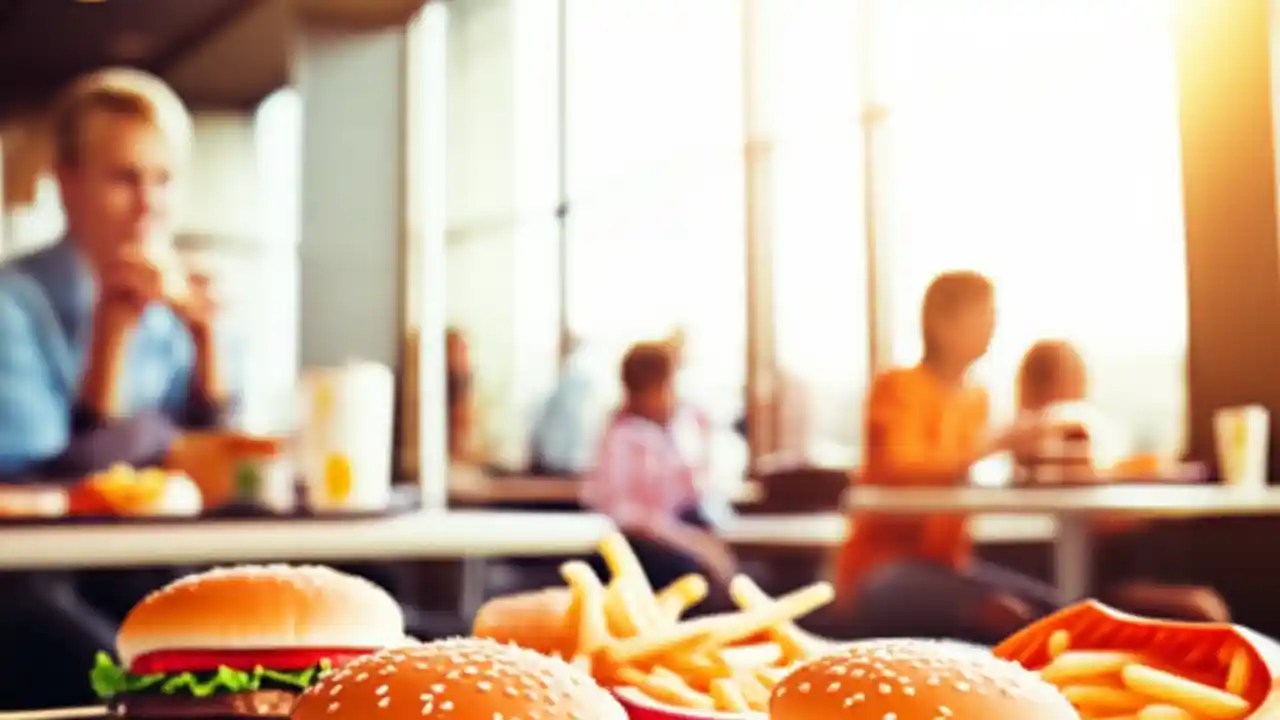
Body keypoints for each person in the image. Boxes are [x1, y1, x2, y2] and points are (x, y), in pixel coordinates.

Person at [0, 68, 232, 709]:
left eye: (163, 180)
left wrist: (210, 350)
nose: (149, 203)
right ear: (66, 184)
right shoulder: (12, 302)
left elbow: (217, 471)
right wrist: (109, 340)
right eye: (124, 177)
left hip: (153, 559)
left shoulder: (178, 301)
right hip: (40, 576)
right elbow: (44, 483)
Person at [837, 271, 1058, 644]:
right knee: (1006, 616)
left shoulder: (977, 398)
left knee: (1054, 613)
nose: (992, 327)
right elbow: (902, 464)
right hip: (882, 568)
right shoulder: (897, 387)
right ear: (942, 323)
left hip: (946, 565)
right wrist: (987, 446)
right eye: (983, 315)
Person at [1015, 340, 1230, 622]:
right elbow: (1072, 482)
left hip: (1115, 571)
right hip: (1093, 582)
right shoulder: (1042, 438)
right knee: (1204, 608)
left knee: (1205, 602)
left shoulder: (1079, 430)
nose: (1081, 383)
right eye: (1072, 374)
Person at [582, 342, 736, 593]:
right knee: (699, 577)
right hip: (643, 547)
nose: (675, 396)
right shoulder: (625, 437)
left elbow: (694, 492)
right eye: (670, 386)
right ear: (651, 389)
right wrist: (693, 542)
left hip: (668, 536)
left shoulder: (667, 433)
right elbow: (633, 517)